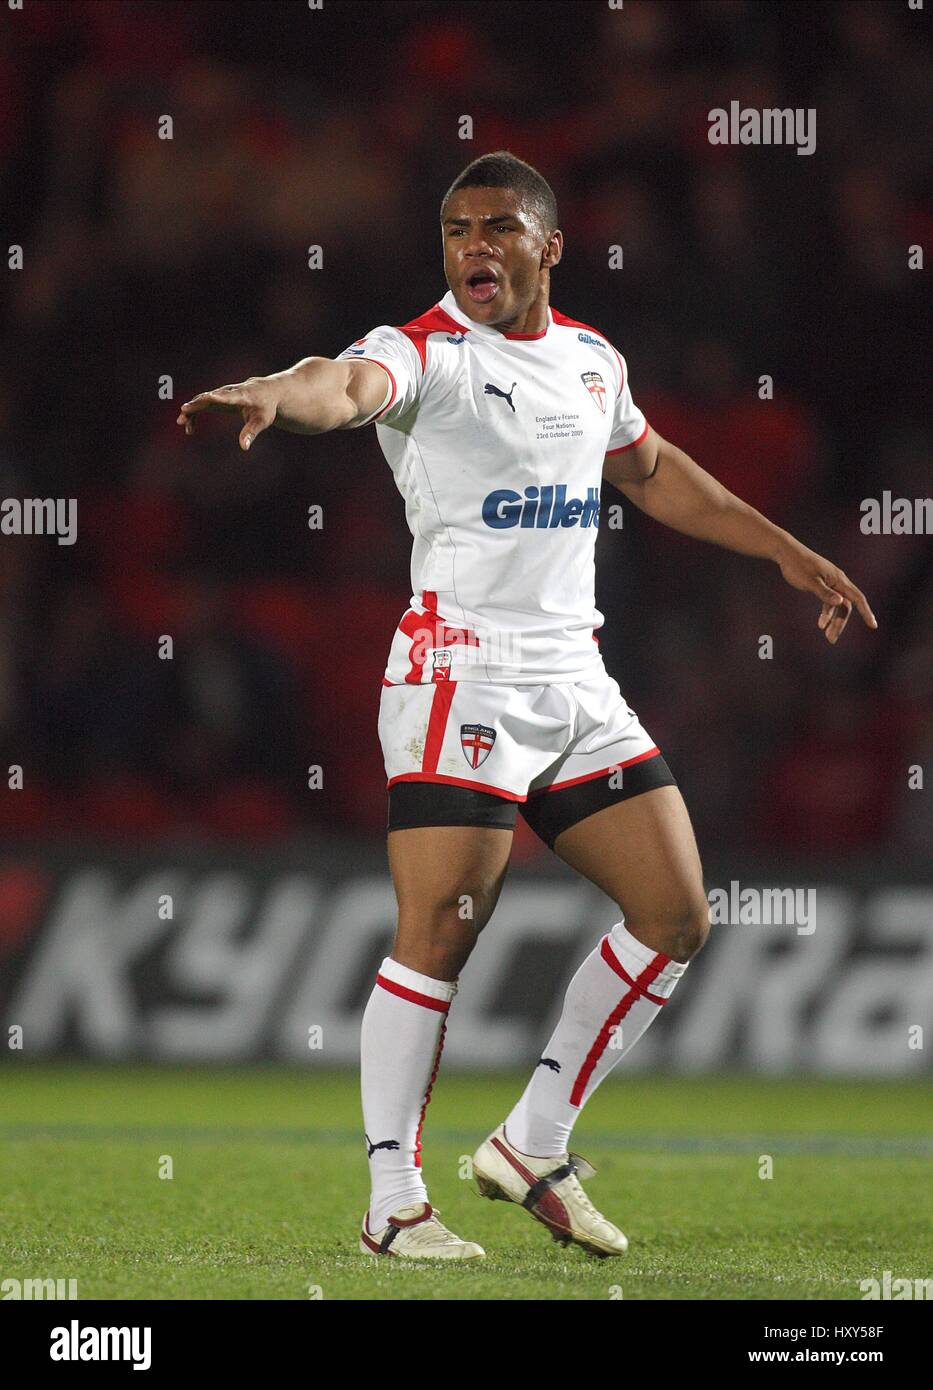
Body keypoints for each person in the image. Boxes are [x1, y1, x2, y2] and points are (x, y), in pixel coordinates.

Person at [178, 151, 877, 1262]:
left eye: (499, 227)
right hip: (462, 668)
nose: (474, 248)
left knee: (678, 914)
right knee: (443, 931)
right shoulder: (429, 355)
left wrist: (784, 550)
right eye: (457, 229)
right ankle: (391, 1200)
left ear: (551, 246)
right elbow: (342, 383)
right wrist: (276, 390)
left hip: (574, 674)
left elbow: (648, 472)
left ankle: (531, 1142)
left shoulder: (594, 361)